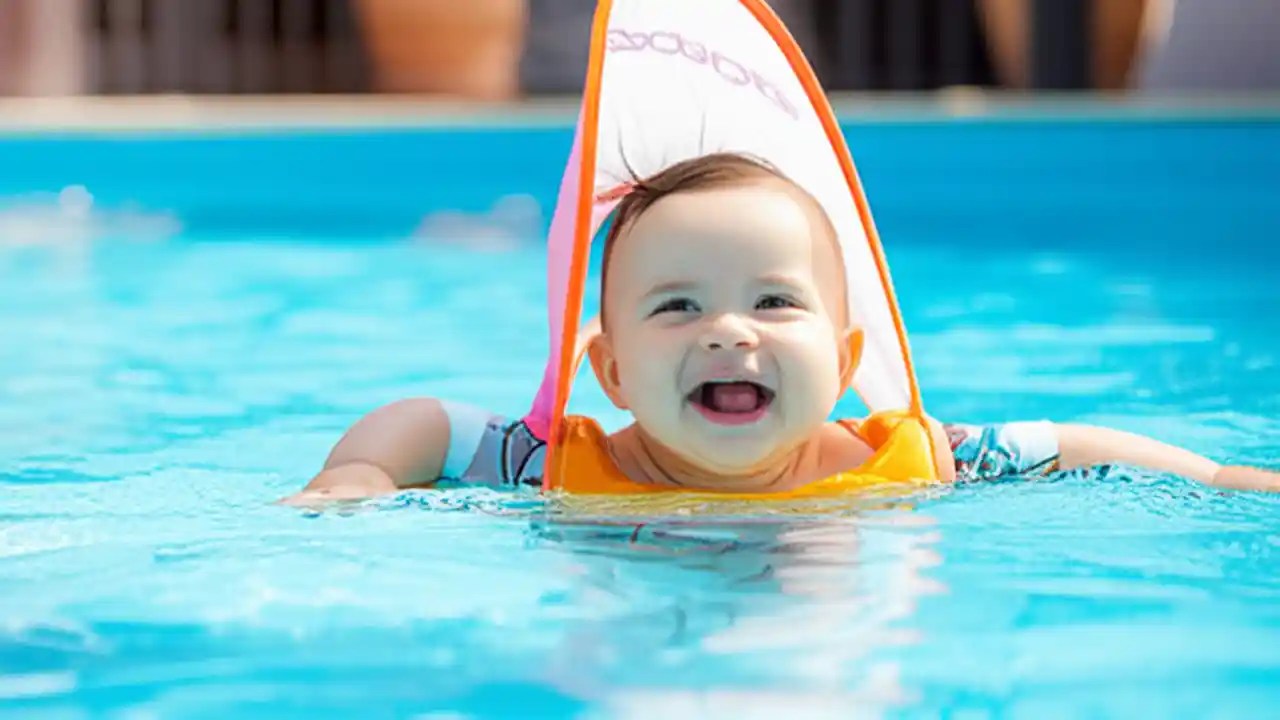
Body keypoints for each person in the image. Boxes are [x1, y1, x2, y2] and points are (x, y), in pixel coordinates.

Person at [284, 153, 1278, 505]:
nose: (729, 332)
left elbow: (1067, 448)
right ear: (612, 371)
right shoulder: (556, 466)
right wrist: (358, 475)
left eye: (773, 302)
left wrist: (1216, 478)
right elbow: (424, 424)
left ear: (844, 362)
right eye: (677, 306)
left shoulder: (906, 460)